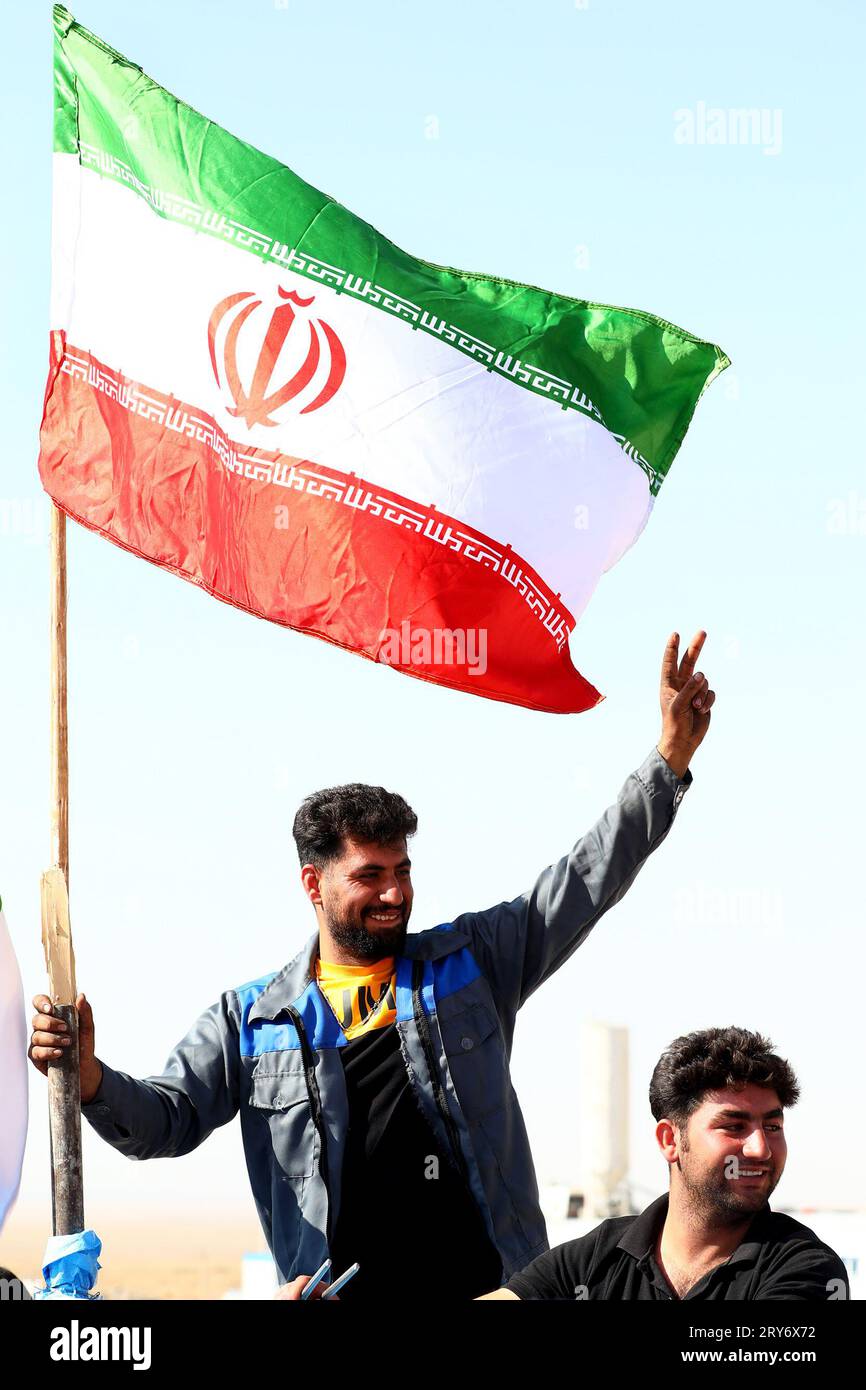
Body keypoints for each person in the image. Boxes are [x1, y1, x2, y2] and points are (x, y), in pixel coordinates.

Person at [30, 631, 714, 1300]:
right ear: (313, 883)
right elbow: (163, 1121)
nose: (395, 893)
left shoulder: (472, 964)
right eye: (370, 876)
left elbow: (584, 880)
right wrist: (89, 1077)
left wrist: (669, 760)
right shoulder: (253, 1021)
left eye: (403, 871)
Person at [480, 1027, 849, 1301]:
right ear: (670, 1140)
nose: (760, 1149)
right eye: (734, 1126)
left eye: (772, 1126)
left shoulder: (807, 1268)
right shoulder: (595, 1259)